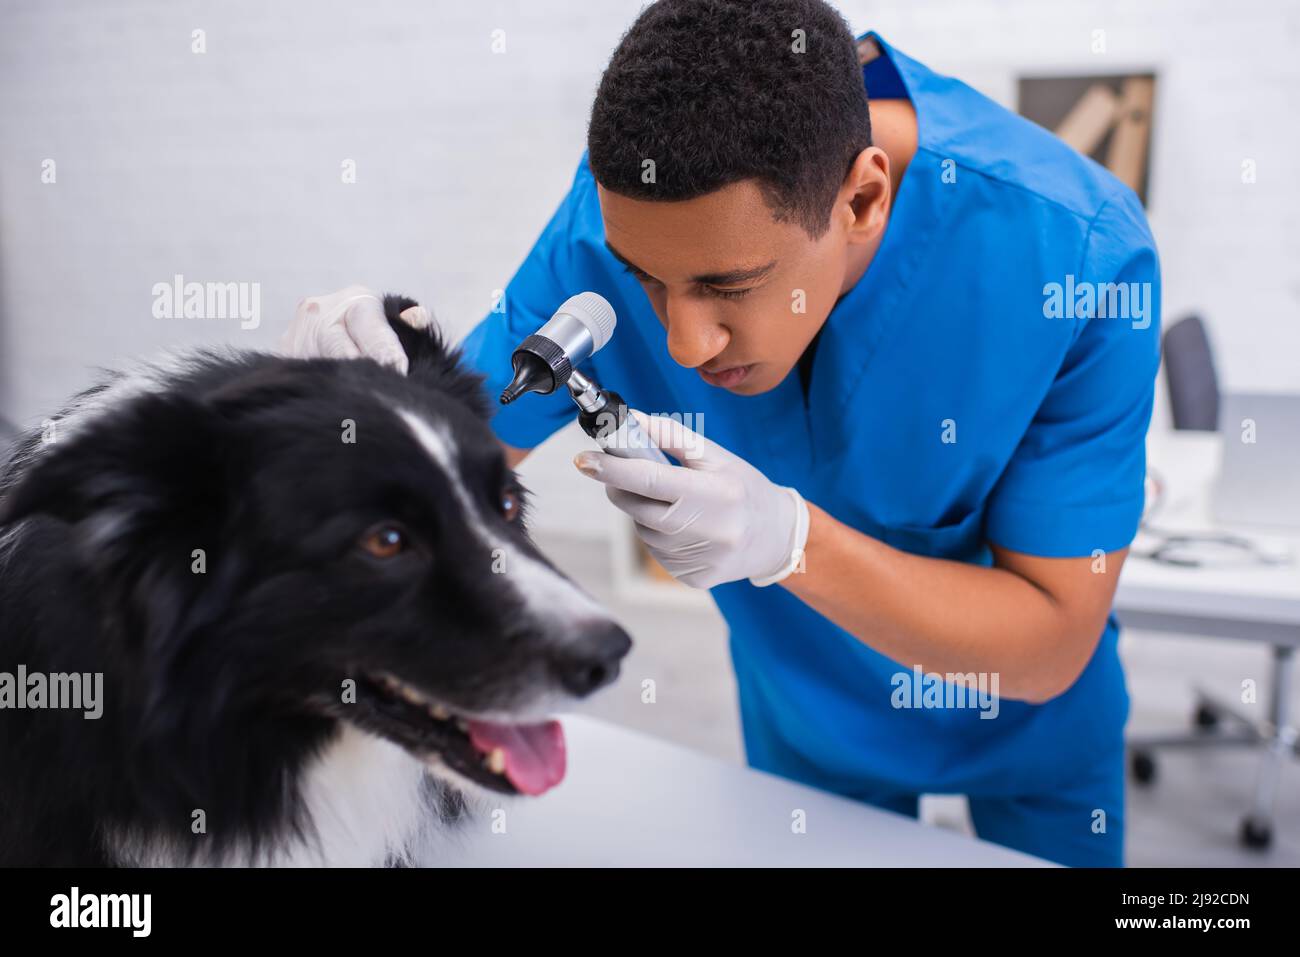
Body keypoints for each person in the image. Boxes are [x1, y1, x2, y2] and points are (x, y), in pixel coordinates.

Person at [283, 0, 1160, 867]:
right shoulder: (619, 222)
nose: (683, 341)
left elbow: (1051, 638)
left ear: (861, 200)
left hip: (1031, 728)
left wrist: (789, 541)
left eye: (729, 286)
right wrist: (350, 392)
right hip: (806, 726)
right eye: (646, 282)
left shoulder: (1079, 256)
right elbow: (451, 445)